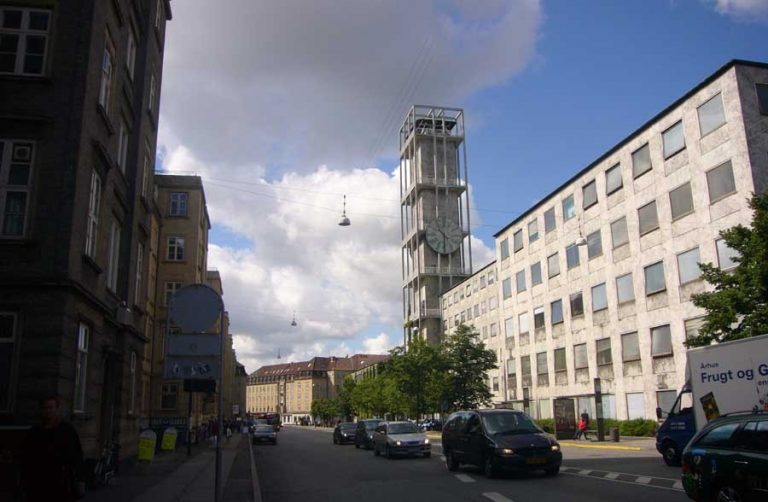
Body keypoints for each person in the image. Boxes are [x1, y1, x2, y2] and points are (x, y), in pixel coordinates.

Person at [20, 395, 85, 502]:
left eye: (51, 408)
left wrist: (80, 480)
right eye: (45, 408)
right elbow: (26, 456)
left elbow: (77, 455)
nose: (48, 411)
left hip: (60, 482)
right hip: (37, 482)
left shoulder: (67, 430)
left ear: (57, 408)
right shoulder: (34, 432)